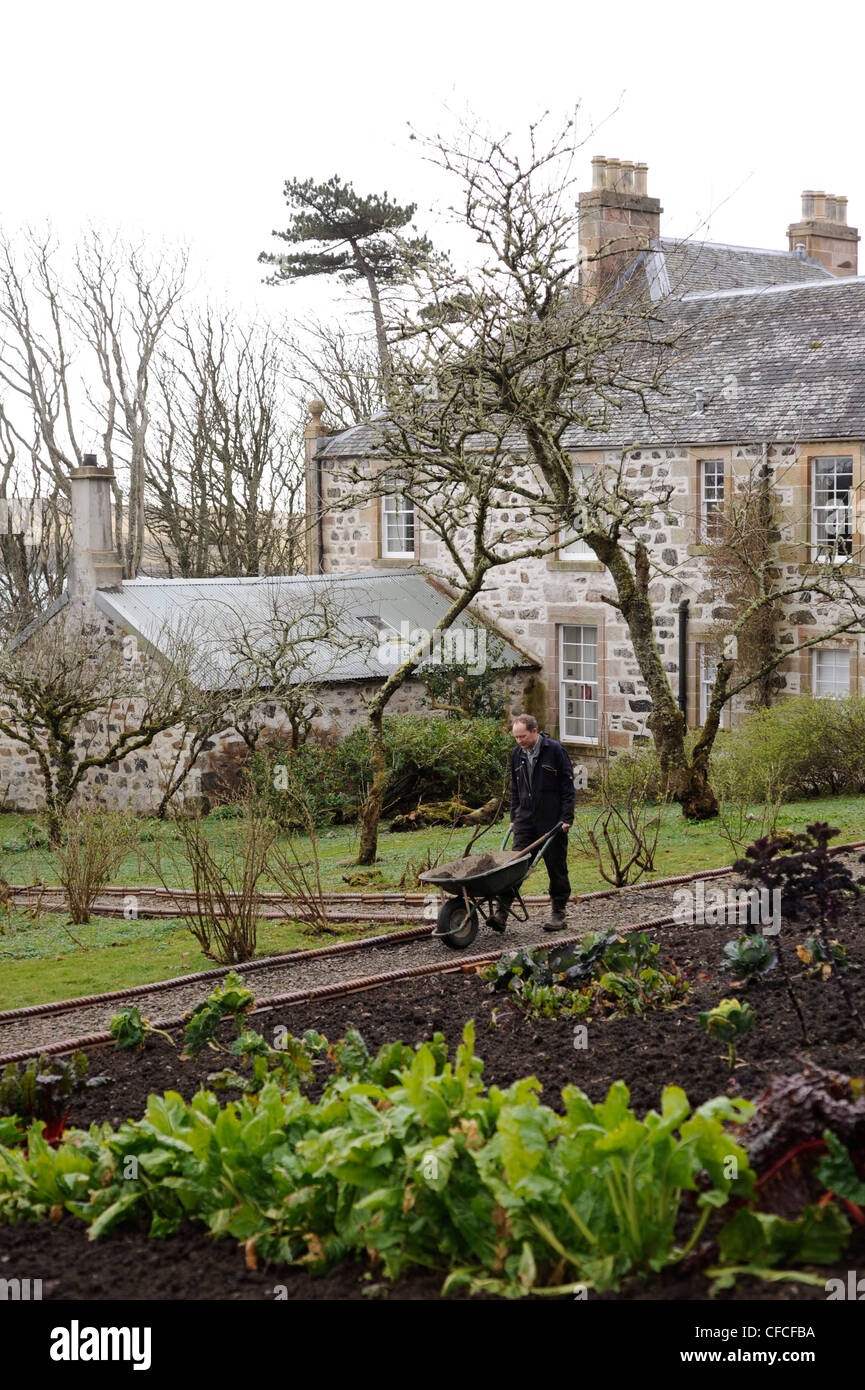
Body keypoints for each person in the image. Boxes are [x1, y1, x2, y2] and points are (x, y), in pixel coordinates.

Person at [490, 713, 575, 933]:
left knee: (556, 867)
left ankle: (558, 914)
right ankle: (501, 913)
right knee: (513, 866)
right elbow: (515, 790)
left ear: (535, 732)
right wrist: (513, 817)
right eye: (516, 737)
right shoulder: (516, 754)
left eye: (523, 736)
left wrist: (567, 818)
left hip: (552, 820)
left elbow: (567, 787)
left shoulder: (554, 751)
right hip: (525, 819)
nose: (519, 741)